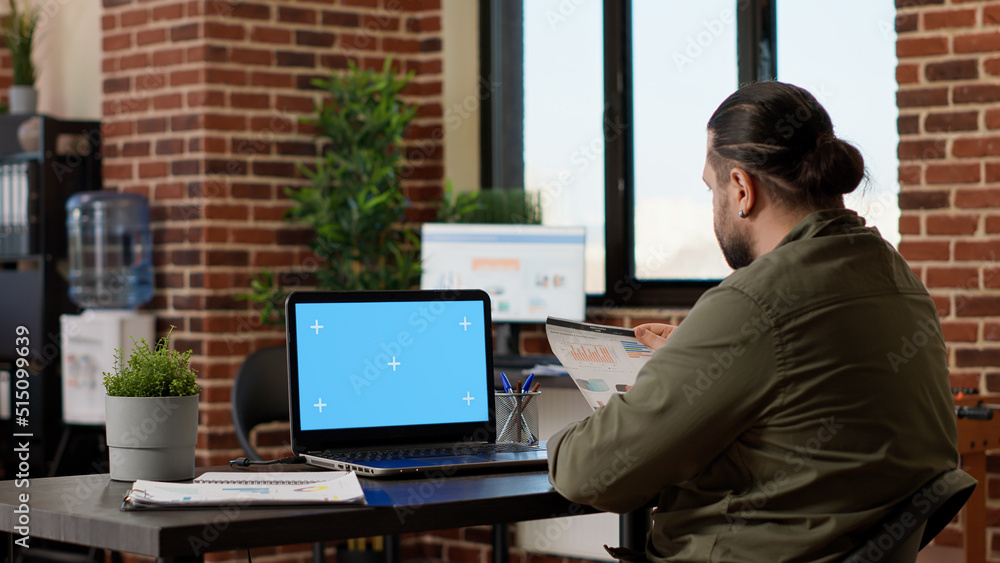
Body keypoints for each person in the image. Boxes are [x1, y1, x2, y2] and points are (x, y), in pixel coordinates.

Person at [546, 82, 960, 562]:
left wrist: (554, 443)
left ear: (741, 188)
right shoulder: (897, 279)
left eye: (711, 188)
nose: (714, 206)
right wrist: (696, 356)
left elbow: (590, 472)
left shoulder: (753, 303)